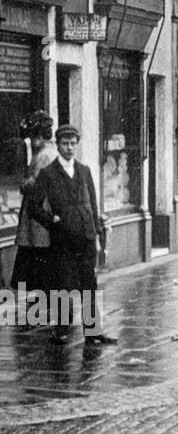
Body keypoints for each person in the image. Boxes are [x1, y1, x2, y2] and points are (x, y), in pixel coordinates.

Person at [28, 125, 114, 346]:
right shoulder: (48, 174)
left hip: (85, 235)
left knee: (89, 284)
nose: (69, 148)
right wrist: (52, 220)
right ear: (57, 145)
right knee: (63, 284)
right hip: (63, 238)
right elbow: (33, 207)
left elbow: (93, 204)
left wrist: (95, 234)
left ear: (77, 145)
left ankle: (93, 332)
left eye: (73, 143)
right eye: (65, 144)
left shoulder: (84, 170)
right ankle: (61, 331)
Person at [11, 112, 57, 319]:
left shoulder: (43, 155)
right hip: (43, 212)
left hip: (38, 216)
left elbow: (32, 185)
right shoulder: (50, 152)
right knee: (41, 259)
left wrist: (23, 183)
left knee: (37, 258)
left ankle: (40, 303)